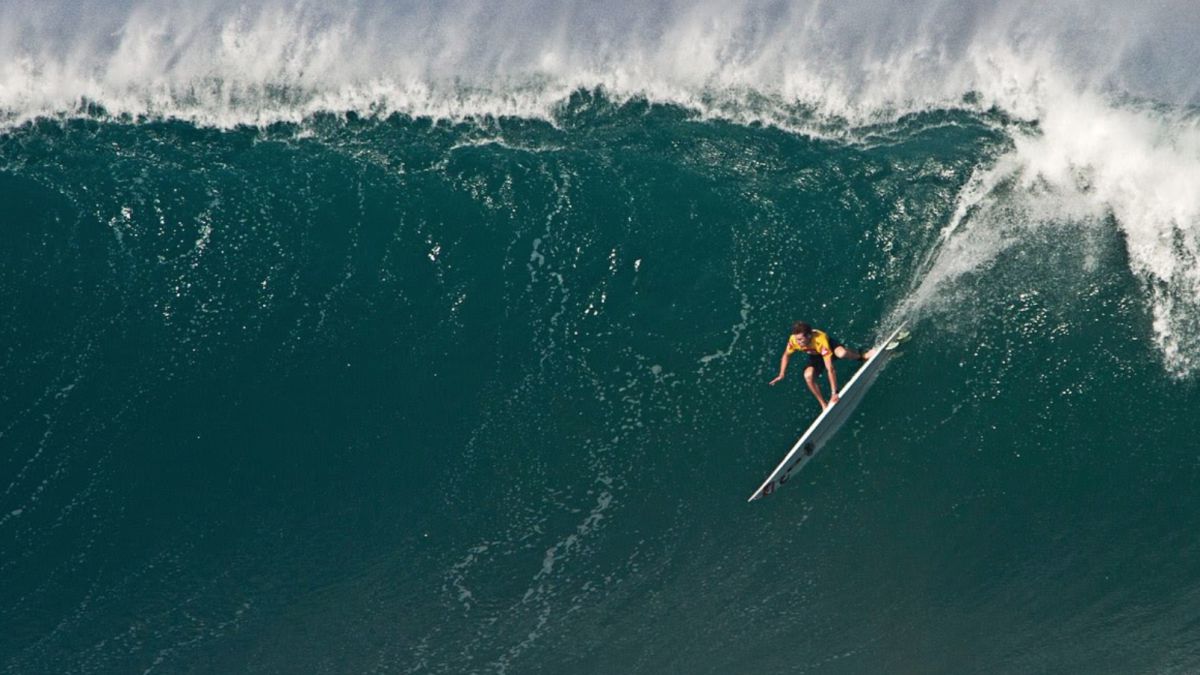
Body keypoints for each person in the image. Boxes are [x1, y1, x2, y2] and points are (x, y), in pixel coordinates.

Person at [768, 321, 874, 410]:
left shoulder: (820, 340)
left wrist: (834, 393)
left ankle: (862, 356)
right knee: (808, 376)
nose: (798, 342)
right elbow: (786, 355)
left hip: (831, 347)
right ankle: (823, 404)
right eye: (796, 339)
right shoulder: (793, 340)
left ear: (809, 336)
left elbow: (830, 369)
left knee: (842, 353)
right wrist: (782, 374)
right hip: (816, 356)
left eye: (800, 339)